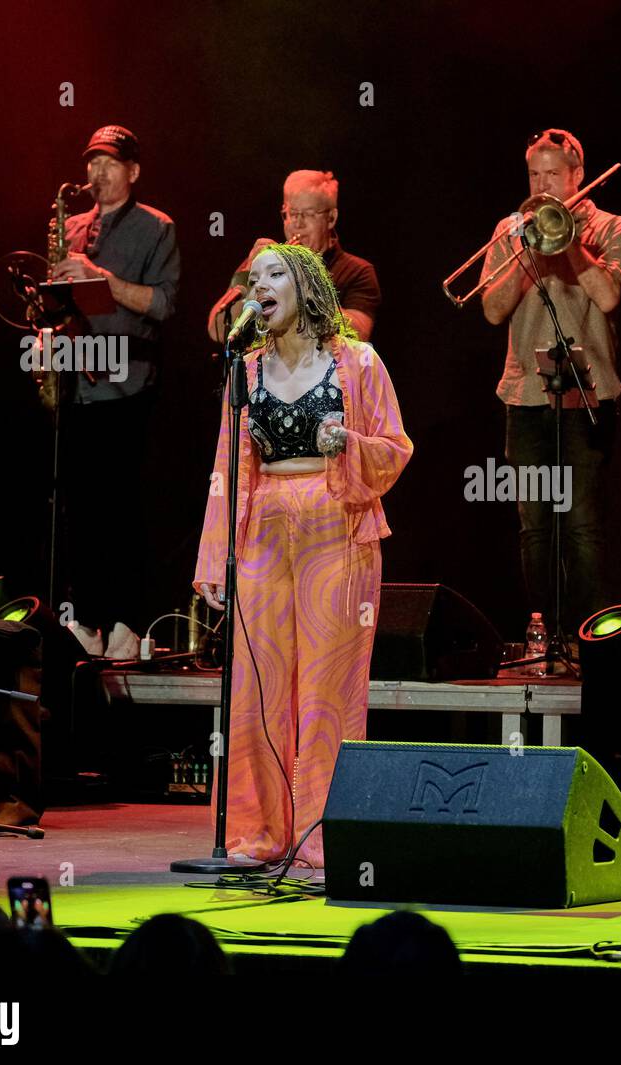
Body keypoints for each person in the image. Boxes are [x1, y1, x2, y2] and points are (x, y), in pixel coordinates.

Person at [193, 243, 411, 867]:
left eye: (274, 275)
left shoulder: (358, 362)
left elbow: (395, 449)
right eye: (253, 278)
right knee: (257, 685)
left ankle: (322, 838)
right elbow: (226, 468)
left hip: (334, 523)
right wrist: (215, 558)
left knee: (325, 690)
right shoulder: (248, 368)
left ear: (307, 287)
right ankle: (259, 832)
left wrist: (348, 441)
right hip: (263, 526)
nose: (259, 286)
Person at [479, 129, 621, 647]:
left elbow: (608, 297)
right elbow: (492, 309)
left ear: (577, 176)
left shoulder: (613, 228)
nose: (542, 183)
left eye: (552, 174)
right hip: (525, 396)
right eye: (534, 174)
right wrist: (527, 256)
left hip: (588, 394)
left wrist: (567, 246)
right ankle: (542, 628)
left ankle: (585, 637)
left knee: (582, 524)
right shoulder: (509, 230)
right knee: (536, 525)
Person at [53, 124, 180, 659]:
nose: (96, 173)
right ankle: (87, 618)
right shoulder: (73, 225)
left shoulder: (157, 228)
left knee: (121, 509)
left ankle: (128, 619)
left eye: (108, 163)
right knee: (79, 508)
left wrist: (94, 275)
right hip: (78, 382)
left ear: (133, 171)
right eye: (91, 162)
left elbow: (163, 305)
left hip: (129, 383)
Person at [207, 169, 380, 345]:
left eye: (308, 214)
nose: (297, 223)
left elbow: (358, 335)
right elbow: (219, 331)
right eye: (291, 213)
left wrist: (306, 280)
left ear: (331, 218)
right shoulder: (269, 263)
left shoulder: (358, 271)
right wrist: (250, 274)